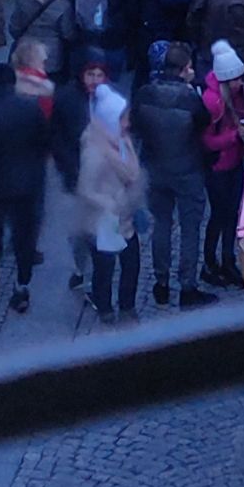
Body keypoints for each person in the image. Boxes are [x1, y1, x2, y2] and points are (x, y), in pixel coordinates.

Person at [129, 41, 215, 309]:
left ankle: (161, 283)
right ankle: (187, 286)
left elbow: (135, 125)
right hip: (187, 170)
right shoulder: (190, 99)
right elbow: (203, 124)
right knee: (190, 229)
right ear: (185, 68)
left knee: (161, 225)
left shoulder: (145, 93)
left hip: (156, 168)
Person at [0, 49, 52, 312]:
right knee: (24, 237)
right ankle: (22, 287)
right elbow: (45, 142)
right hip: (29, 185)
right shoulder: (30, 108)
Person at [77, 84, 145, 325]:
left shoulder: (121, 142)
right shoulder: (94, 154)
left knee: (131, 264)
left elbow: (133, 174)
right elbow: (85, 189)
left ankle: (127, 306)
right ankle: (105, 306)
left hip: (125, 218)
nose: (127, 124)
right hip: (103, 222)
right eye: (123, 118)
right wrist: (108, 203)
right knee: (105, 268)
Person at [50, 48, 109, 289]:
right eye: (90, 74)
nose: (95, 80)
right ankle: (80, 268)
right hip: (76, 175)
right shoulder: (66, 99)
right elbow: (57, 140)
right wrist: (71, 169)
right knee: (79, 229)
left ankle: (99, 272)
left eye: (99, 75)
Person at [200, 42, 244, 291]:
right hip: (218, 168)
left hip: (235, 163)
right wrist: (234, 136)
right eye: (236, 79)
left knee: (231, 215)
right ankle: (211, 263)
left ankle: (228, 261)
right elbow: (206, 142)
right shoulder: (212, 102)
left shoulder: (238, 94)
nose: (241, 83)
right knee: (219, 216)